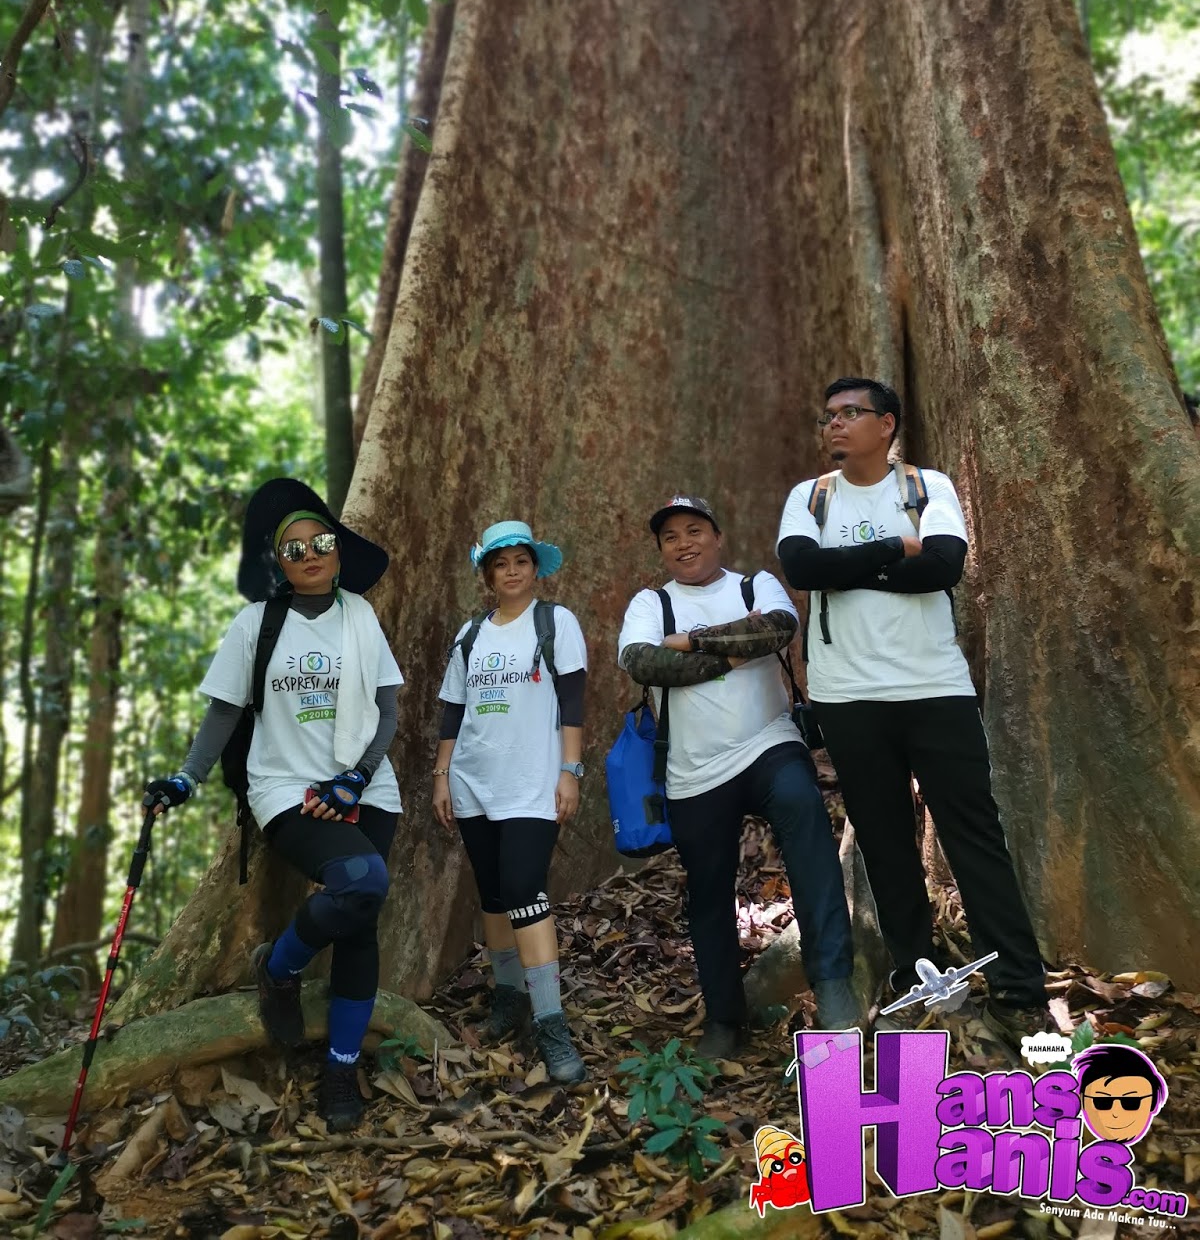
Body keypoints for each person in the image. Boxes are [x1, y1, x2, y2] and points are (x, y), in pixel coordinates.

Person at [776, 377, 1048, 1048]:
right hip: (847, 698)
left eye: (851, 413)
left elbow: (945, 567)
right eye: (829, 414)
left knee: (973, 834)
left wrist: (849, 566)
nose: (835, 424)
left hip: (934, 690)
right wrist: (894, 550)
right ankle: (913, 973)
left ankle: (1019, 989)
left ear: (887, 424)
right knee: (885, 841)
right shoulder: (809, 497)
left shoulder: (928, 488)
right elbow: (801, 566)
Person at [144, 478, 403, 1131]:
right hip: (286, 788)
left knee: (362, 919)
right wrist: (184, 779)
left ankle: (340, 1070)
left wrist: (355, 778)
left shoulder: (361, 617)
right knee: (363, 880)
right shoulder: (254, 625)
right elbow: (224, 714)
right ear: (278, 563)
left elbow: (388, 710)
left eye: (320, 541)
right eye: (294, 549)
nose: (310, 554)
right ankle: (280, 966)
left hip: (367, 785)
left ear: (338, 550)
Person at [616, 495, 857, 1058]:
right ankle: (724, 1020)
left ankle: (834, 984)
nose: (684, 543)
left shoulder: (756, 585)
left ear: (717, 536)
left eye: (694, 530)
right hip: (693, 772)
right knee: (707, 895)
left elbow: (775, 629)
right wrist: (731, 652)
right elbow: (643, 663)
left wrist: (695, 643)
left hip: (770, 744)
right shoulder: (650, 603)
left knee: (807, 828)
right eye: (671, 536)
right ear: (661, 550)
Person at [433, 519, 589, 1084]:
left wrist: (570, 771)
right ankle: (508, 997)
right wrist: (442, 775)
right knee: (494, 895)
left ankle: (551, 1022)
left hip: (532, 782)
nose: (513, 571)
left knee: (526, 889)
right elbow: (454, 708)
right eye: (501, 564)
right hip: (475, 779)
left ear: (535, 567)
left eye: (521, 560)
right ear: (488, 575)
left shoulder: (555, 622)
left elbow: (572, 702)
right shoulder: (470, 635)